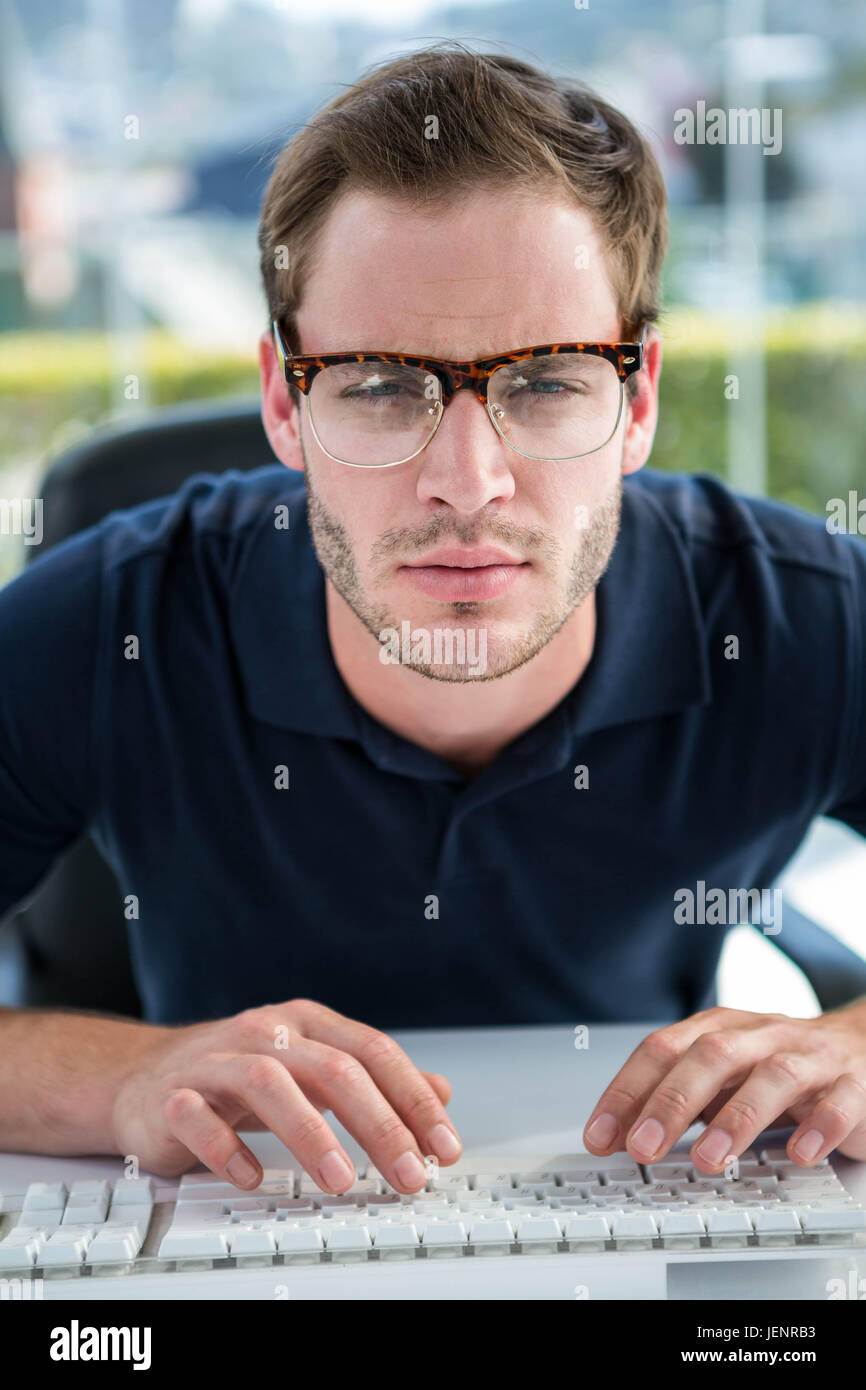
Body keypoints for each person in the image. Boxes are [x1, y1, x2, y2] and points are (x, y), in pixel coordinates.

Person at [1, 44, 865, 1199]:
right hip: (233, 1214)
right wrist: (119, 1080)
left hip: (653, 1207)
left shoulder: (798, 614)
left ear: (639, 400)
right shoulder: (113, 618)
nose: (467, 481)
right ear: (283, 402)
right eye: (376, 384)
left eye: (548, 381)